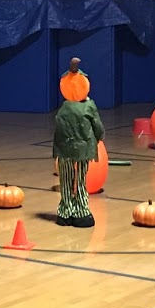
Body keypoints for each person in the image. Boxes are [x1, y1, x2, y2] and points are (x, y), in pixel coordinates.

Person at [51, 59, 102, 227]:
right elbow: (98, 127)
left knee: (65, 180)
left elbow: (58, 129)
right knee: (79, 180)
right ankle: (81, 213)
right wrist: (99, 137)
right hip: (82, 151)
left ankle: (65, 213)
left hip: (63, 151)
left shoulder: (63, 108)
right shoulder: (89, 106)